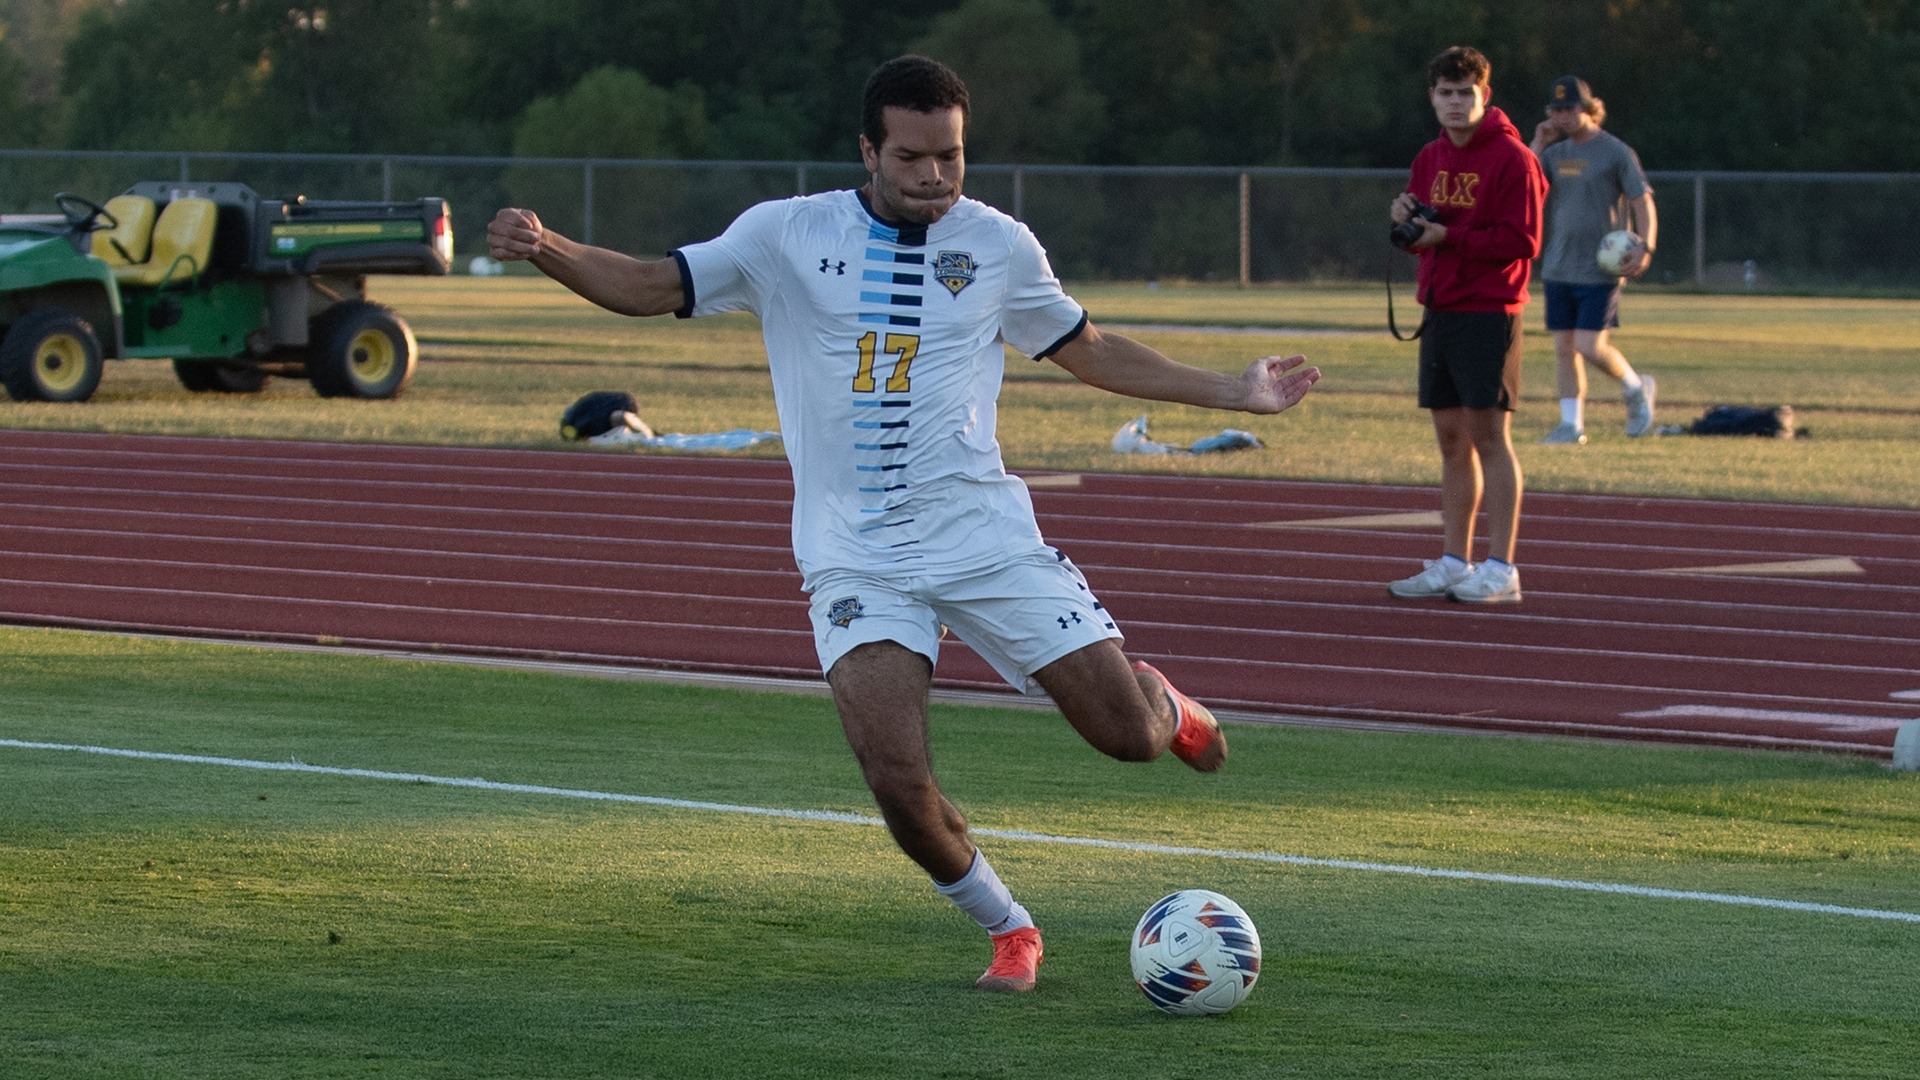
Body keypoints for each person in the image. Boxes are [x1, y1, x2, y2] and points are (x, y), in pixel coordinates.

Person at [487, 54, 1319, 995]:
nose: (935, 177)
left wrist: (1232, 391)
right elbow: (645, 284)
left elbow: (1088, 350)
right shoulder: (785, 236)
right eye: (914, 158)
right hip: (853, 556)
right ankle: (1011, 929)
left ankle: (1162, 703)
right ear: (868, 151)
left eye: (952, 158)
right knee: (896, 780)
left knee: (1125, 735)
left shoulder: (999, 245)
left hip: (984, 536)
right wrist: (548, 246)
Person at [1386, 45, 1546, 606]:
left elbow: (1524, 241)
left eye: (1466, 93)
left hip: (1490, 309)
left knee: (1489, 436)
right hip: (1442, 306)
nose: (1456, 103)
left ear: (1485, 95)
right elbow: (1428, 230)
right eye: (1446, 93)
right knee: (1451, 439)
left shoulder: (1513, 158)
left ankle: (1502, 565)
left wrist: (1448, 237)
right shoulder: (1430, 157)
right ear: (1432, 97)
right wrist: (1408, 219)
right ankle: (1456, 558)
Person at [1529, 75, 1659, 444]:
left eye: (1569, 108)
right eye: (1556, 109)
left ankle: (1635, 389)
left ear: (1587, 108)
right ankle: (1571, 425)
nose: (1563, 116)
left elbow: (1642, 200)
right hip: (1559, 264)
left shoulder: (1615, 151)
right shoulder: (1554, 153)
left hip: (1600, 267)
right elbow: (1522, 184)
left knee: (1589, 346)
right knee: (1563, 349)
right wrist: (1538, 142)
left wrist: (1645, 247)